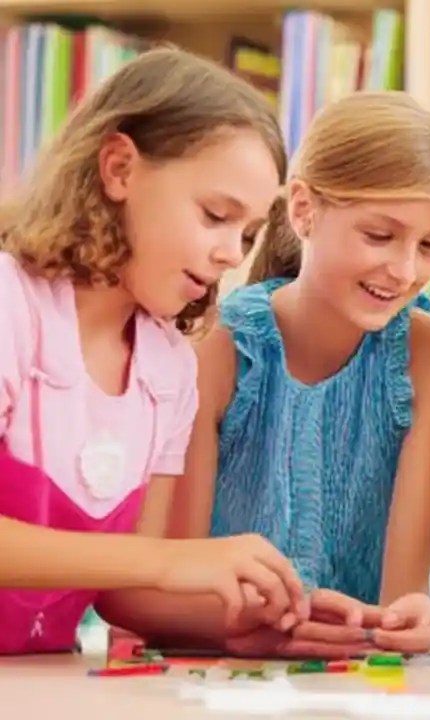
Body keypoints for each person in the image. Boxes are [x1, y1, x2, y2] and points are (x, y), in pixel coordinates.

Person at [0, 48, 326, 655]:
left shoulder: (169, 369)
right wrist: (169, 561)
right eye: (216, 215)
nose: (233, 253)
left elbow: (126, 593)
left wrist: (264, 622)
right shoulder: (10, 306)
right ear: (120, 168)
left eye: (249, 234)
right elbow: (149, 562)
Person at [166, 92, 430, 655]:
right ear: (304, 209)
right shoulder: (217, 346)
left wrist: (412, 618)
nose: (405, 271)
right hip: (214, 672)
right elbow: (174, 584)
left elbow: (404, 592)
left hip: (356, 673)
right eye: (379, 236)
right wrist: (267, 628)